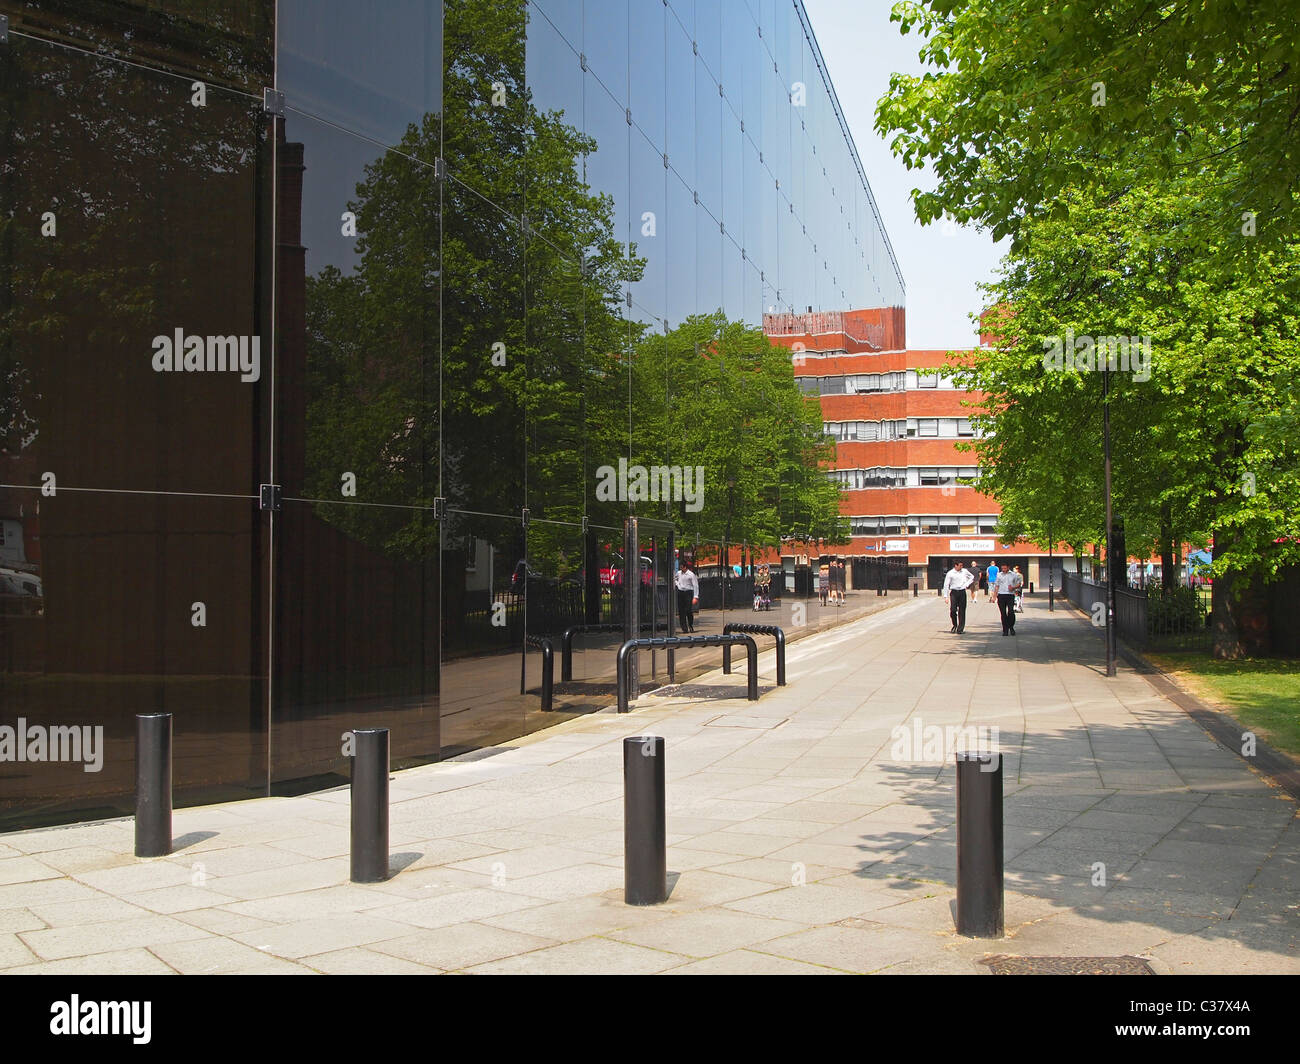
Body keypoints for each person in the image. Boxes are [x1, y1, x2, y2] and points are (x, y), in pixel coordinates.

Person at [942, 560, 975, 633]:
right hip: (954, 592)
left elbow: (972, 577)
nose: (961, 567)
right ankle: (955, 625)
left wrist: (967, 584)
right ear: (955, 566)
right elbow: (946, 584)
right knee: (953, 610)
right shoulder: (950, 573)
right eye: (960, 565)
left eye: (962, 565)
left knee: (962, 611)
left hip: (962, 592)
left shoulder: (964, 571)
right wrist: (945, 596)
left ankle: (960, 629)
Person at [995, 562, 1024, 635]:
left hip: (1010, 595)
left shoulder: (1014, 575)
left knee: (1011, 612)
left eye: (1005, 568)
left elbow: (1019, 584)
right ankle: (1005, 630)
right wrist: (994, 596)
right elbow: (997, 585)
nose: (1003, 570)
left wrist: (1013, 587)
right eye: (1002, 568)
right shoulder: (999, 575)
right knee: (1003, 613)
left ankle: (1011, 627)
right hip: (1001, 595)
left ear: (1008, 567)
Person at [675, 560, 699, 633]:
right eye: (680, 567)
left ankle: (690, 625)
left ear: (685, 567)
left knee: (688, 610)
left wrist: (696, 596)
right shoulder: (679, 573)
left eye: (682, 567)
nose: (681, 569)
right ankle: (684, 628)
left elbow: (695, 585)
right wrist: (678, 584)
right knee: (681, 611)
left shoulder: (691, 574)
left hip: (688, 592)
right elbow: (675, 579)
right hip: (681, 592)